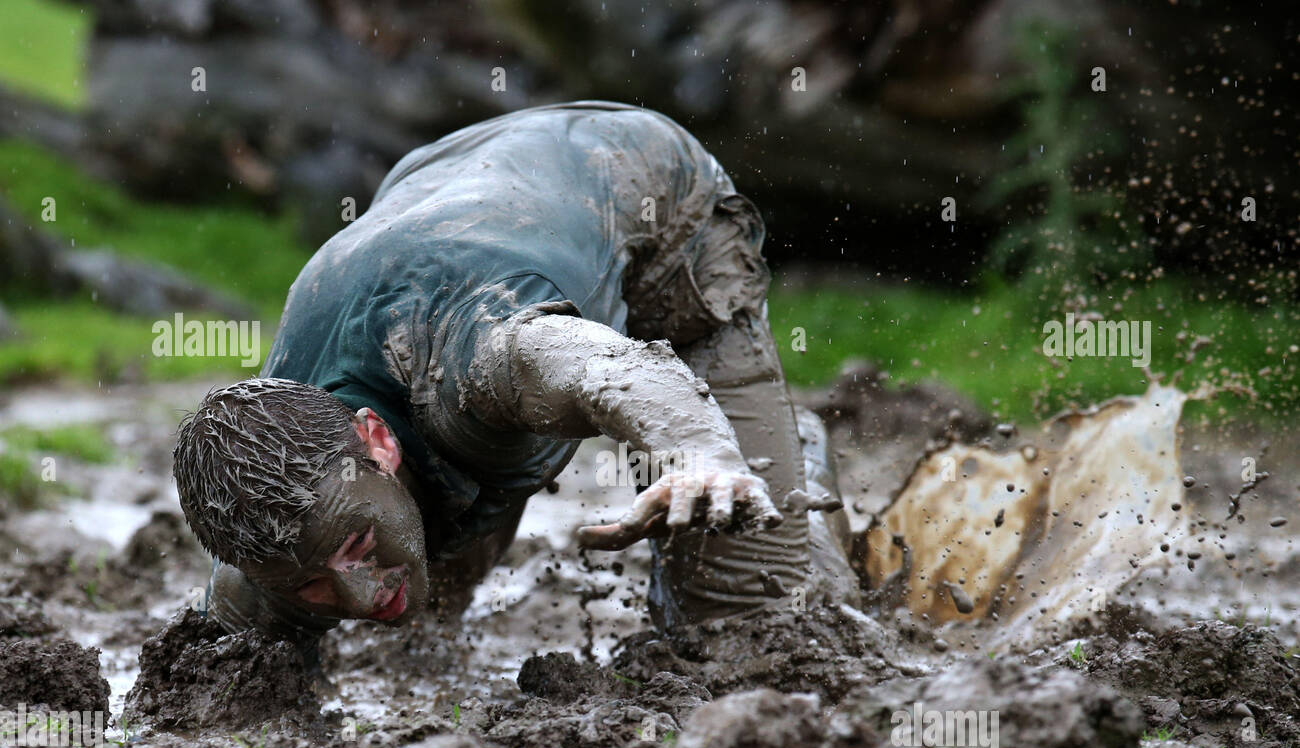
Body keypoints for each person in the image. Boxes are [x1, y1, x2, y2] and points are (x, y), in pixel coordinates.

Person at [172, 101, 856, 659]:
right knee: (418, 609)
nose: (353, 599)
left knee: (741, 626)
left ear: (375, 438)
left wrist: (702, 455)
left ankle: (793, 456)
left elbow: (612, 370)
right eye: (312, 587)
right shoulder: (268, 537)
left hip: (643, 197)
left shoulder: (480, 356)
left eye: (354, 550)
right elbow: (223, 674)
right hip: (442, 192)